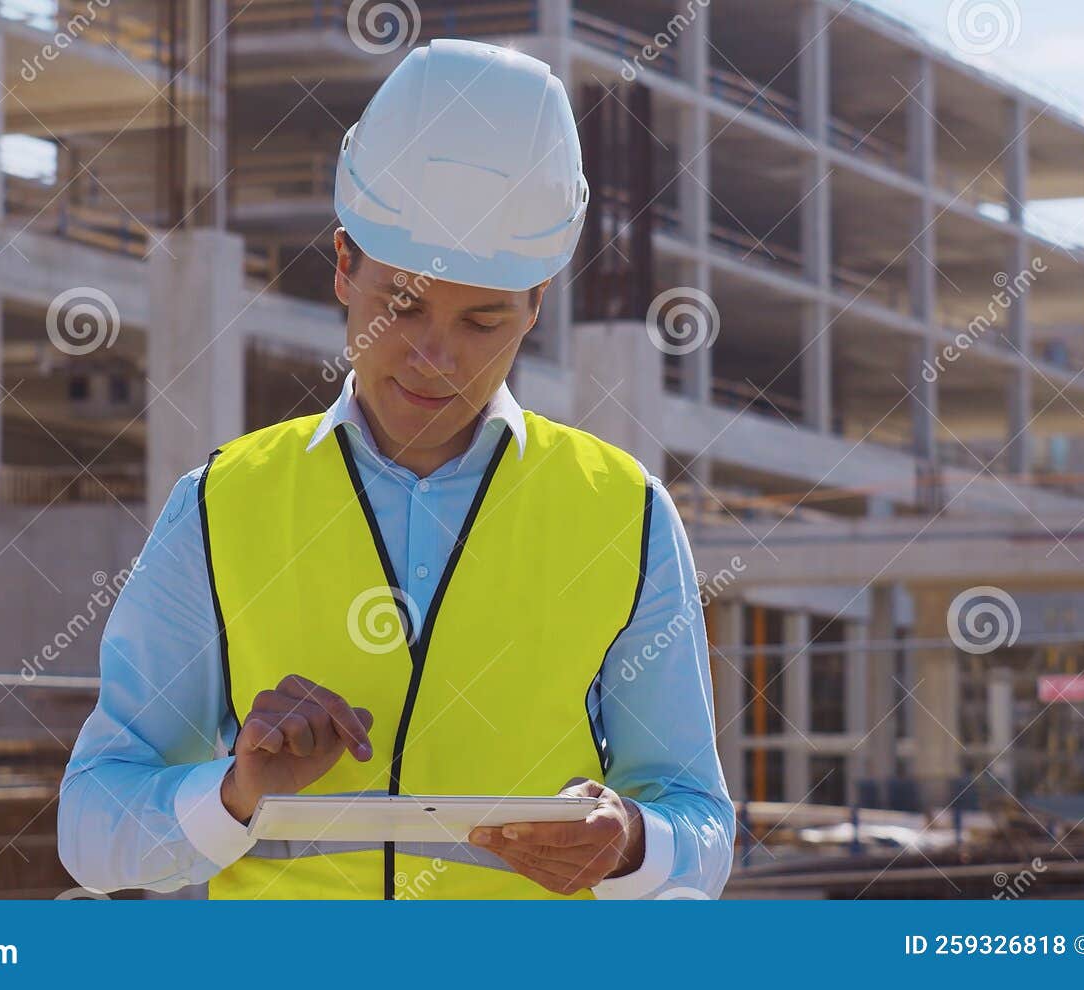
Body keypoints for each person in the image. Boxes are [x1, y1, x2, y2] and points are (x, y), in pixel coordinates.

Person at [59, 38, 732, 899]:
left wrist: (633, 841)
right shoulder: (223, 503)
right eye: (403, 304)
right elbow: (92, 826)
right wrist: (234, 794)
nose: (433, 358)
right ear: (345, 266)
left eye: (481, 322)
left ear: (535, 306)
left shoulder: (624, 513)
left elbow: (701, 823)